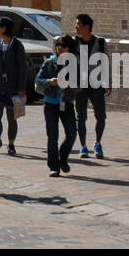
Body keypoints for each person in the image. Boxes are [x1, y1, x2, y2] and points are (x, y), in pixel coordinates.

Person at [0, 16, 27, 155]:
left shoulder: (17, 45)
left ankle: (11, 143)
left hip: (13, 88)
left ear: (4, 28)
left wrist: (21, 88)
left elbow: (23, 68)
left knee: (11, 117)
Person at [36, 35, 78, 177]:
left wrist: (70, 84)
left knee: (72, 134)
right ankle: (53, 166)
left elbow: (80, 85)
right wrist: (50, 81)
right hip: (50, 103)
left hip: (66, 103)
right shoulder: (49, 63)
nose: (60, 48)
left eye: (64, 45)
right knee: (52, 136)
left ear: (70, 49)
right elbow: (38, 80)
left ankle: (63, 157)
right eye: (58, 45)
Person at [72, 14, 110, 159]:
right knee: (81, 117)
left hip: (97, 84)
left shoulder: (100, 42)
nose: (75, 27)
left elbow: (105, 61)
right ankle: (83, 146)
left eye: (78, 24)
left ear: (86, 27)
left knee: (101, 116)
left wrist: (108, 81)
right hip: (80, 85)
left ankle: (97, 143)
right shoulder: (74, 42)